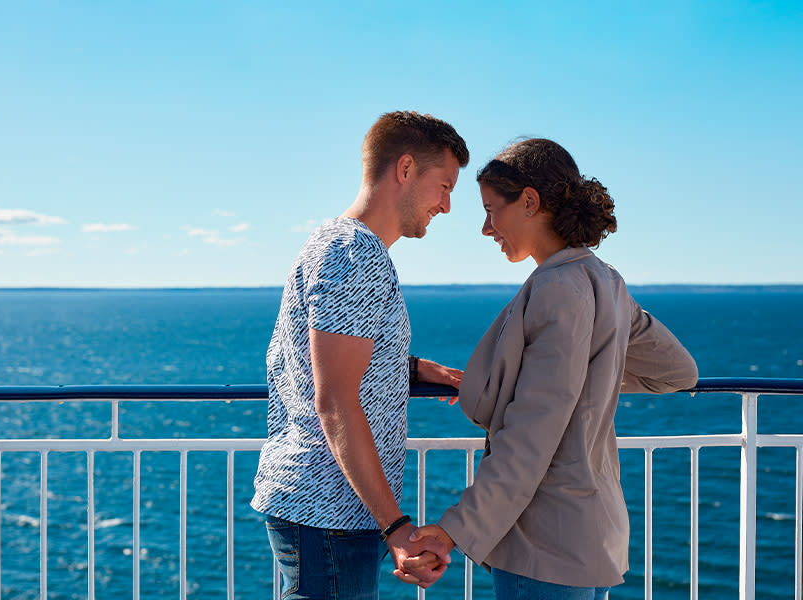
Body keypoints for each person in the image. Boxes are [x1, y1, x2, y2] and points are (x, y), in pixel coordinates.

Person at [409, 138, 699, 599]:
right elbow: (679, 370)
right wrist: (590, 372)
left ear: (529, 201)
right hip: (590, 538)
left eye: (490, 210)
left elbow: (530, 439)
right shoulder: (606, 280)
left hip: (545, 546)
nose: (486, 228)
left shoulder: (556, 288)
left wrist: (454, 529)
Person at [250, 111, 469, 599]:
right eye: (445, 186)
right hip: (327, 512)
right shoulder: (356, 252)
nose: (447, 206)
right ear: (406, 169)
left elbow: (315, 359)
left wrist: (407, 368)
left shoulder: (339, 243)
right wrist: (397, 527)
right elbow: (334, 401)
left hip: (326, 509)